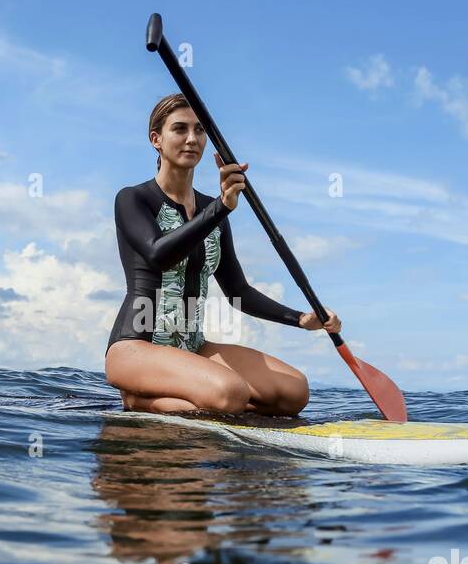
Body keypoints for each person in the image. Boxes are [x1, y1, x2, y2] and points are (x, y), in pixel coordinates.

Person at [104, 93, 341, 416]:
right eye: (180, 129)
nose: (192, 139)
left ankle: (203, 400)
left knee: (293, 392)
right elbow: (159, 254)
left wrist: (300, 319)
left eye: (200, 130)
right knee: (230, 394)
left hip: (193, 346)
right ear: (156, 140)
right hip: (136, 346)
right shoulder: (133, 199)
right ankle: (137, 398)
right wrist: (221, 208)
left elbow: (238, 291)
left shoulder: (211, 210)